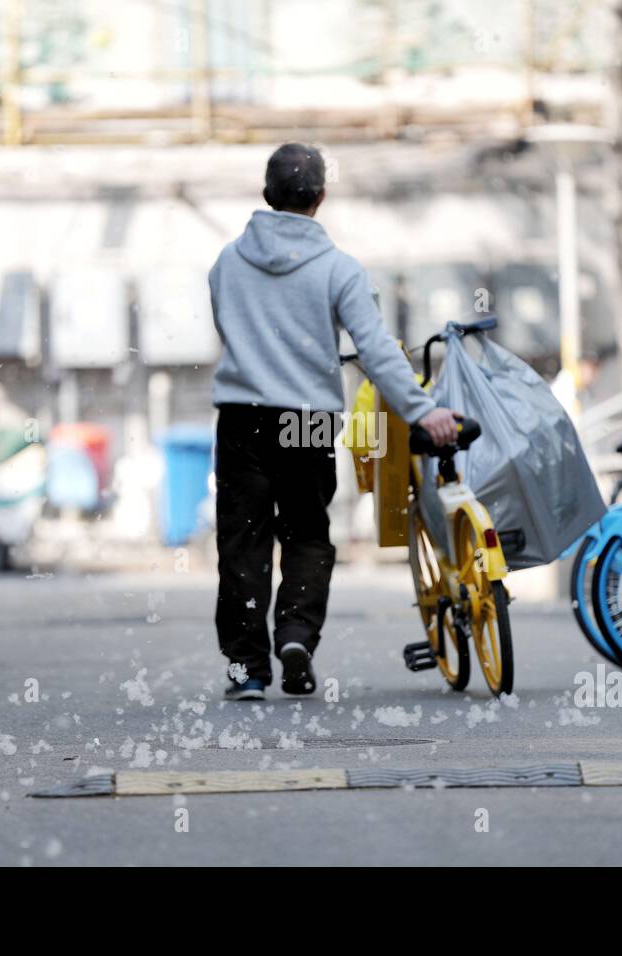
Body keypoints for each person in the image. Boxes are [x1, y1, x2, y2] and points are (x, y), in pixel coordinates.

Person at [209, 143, 461, 701]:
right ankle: (296, 637)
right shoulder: (339, 269)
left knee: (242, 543)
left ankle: (245, 670)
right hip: (311, 418)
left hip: (243, 419)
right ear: (320, 197)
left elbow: (230, 327)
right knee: (307, 534)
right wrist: (423, 410)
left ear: (266, 194)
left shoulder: (227, 262)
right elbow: (374, 349)